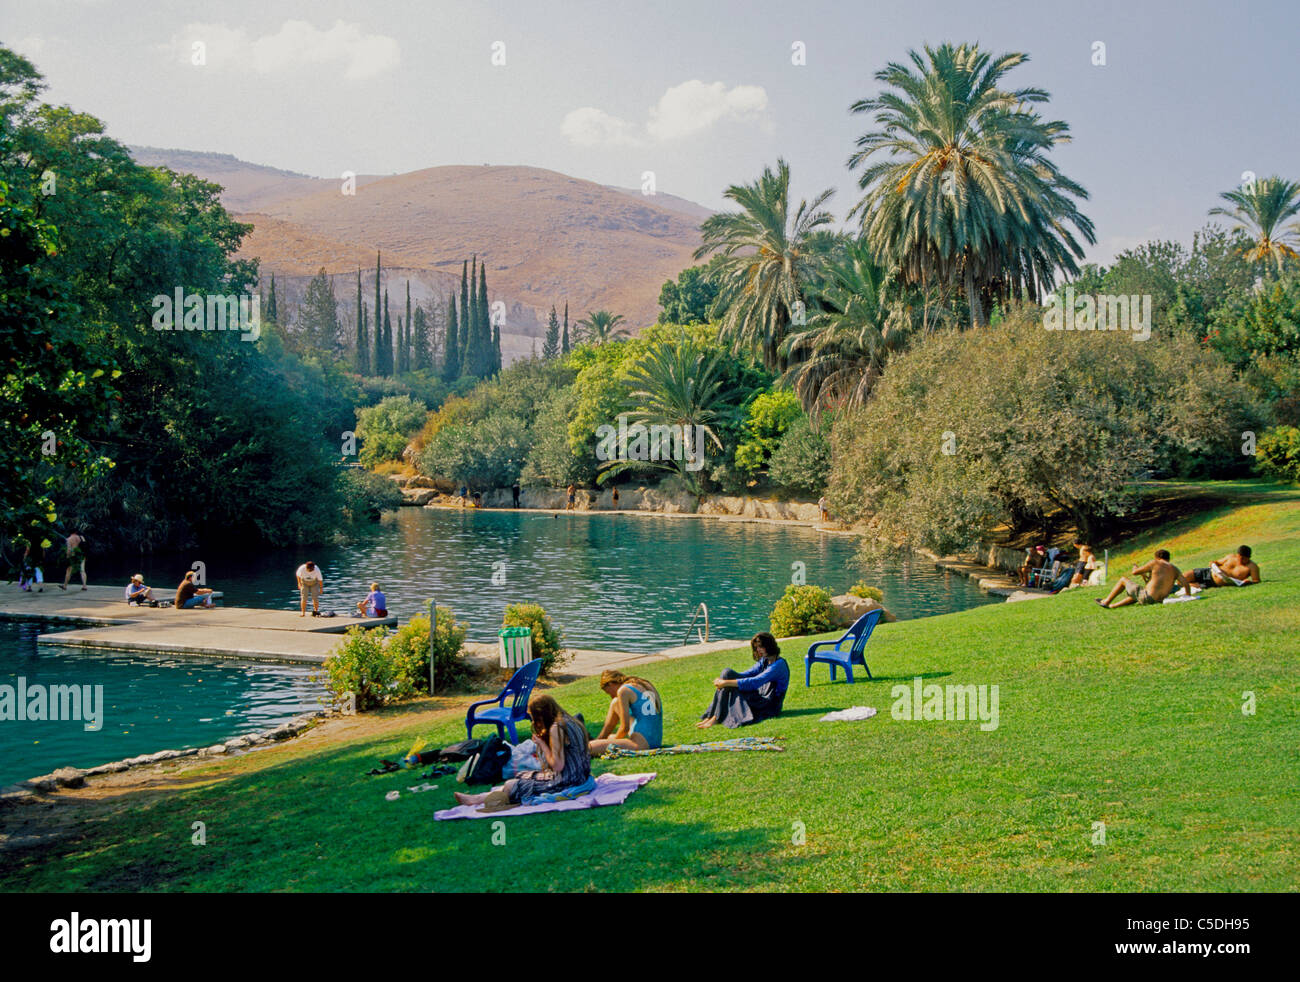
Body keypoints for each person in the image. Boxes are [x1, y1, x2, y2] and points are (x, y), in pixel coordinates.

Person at [452, 694, 591, 810]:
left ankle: (476, 799)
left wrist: (542, 744)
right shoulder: (572, 721)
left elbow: (557, 765)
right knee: (523, 775)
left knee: (511, 785)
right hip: (580, 775)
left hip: (569, 780)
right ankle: (480, 796)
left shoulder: (556, 727)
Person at [697, 632, 790, 729]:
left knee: (728, 682)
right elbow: (746, 674)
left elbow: (755, 682)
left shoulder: (778, 665)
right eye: (756, 647)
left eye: (760, 647)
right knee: (727, 673)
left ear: (769, 646)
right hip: (760, 698)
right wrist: (725, 679)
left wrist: (725, 682)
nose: (758, 650)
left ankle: (715, 717)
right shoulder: (764, 661)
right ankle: (713, 716)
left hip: (770, 705)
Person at [589, 670, 663, 755]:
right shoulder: (644, 684)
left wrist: (611, 742)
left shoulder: (623, 690)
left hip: (640, 744)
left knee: (590, 747)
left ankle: (597, 741)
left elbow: (624, 728)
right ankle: (600, 739)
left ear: (610, 684)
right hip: (656, 740)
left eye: (609, 692)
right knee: (615, 703)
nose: (612, 696)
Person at [1096, 549, 1191, 608]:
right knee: (1138, 593)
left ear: (1157, 557)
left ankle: (1106, 601)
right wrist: (1187, 596)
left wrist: (1135, 567)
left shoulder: (1154, 563)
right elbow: (1185, 583)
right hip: (1160, 600)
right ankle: (1113, 606)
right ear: (1168, 559)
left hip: (1148, 598)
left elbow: (1134, 573)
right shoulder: (1174, 569)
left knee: (1123, 579)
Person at [1189, 545, 1261, 589]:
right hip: (1207, 572)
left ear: (1249, 557)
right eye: (1240, 557)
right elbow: (1217, 562)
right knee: (1182, 578)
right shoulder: (1230, 557)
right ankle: (1190, 585)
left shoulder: (1252, 567)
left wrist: (1249, 582)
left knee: (1185, 584)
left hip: (1213, 583)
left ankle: (1194, 585)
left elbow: (1256, 581)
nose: (1241, 560)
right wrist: (1212, 563)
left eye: (1244, 559)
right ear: (1237, 555)